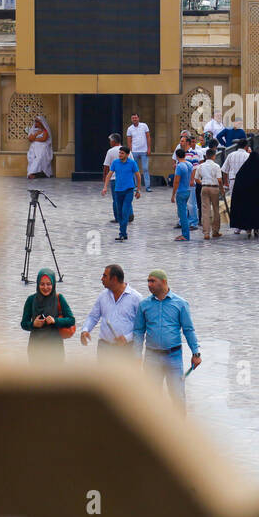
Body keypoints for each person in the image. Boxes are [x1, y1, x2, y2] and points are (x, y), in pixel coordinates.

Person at [132, 269, 201, 411]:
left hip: (173, 356)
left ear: (164, 282)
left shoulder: (180, 303)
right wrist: (136, 355)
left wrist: (196, 353)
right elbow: (138, 331)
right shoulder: (144, 305)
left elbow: (188, 330)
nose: (149, 285)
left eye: (152, 281)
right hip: (152, 357)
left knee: (177, 395)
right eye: (148, 281)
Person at [80, 263, 141, 359]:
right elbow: (93, 317)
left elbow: (142, 326)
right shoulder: (102, 296)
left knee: (124, 374)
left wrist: (127, 338)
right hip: (104, 347)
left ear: (114, 279)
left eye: (105, 276)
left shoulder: (136, 298)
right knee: (102, 374)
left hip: (126, 348)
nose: (101, 279)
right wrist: (85, 330)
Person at [20, 267, 74, 362]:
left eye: (49, 284)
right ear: (37, 284)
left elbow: (71, 320)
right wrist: (33, 324)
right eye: (42, 284)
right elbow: (24, 324)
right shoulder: (31, 300)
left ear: (53, 284)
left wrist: (55, 321)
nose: (45, 288)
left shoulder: (59, 298)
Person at [228, 146, 259, 238]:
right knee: (257, 213)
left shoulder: (244, 169)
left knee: (248, 213)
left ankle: (248, 230)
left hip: (246, 198)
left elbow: (238, 182)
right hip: (258, 197)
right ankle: (256, 229)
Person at [109, 145, 141, 241]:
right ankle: (123, 233)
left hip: (129, 190)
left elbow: (138, 176)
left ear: (127, 155)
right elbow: (109, 174)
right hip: (118, 190)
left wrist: (138, 190)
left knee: (125, 211)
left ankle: (122, 233)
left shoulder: (132, 163)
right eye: (119, 153)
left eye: (122, 153)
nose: (120, 154)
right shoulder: (115, 163)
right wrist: (105, 187)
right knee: (119, 214)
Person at [100, 133, 133, 225]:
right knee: (127, 197)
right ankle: (129, 214)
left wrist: (105, 177)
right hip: (126, 178)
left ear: (114, 141)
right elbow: (132, 163)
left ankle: (118, 217)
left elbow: (106, 166)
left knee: (117, 199)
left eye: (110, 141)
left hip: (115, 178)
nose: (110, 142)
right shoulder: (127, 151)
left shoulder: (110, 151)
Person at [194, 146, 226, 239]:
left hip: (204, 188)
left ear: (206, 156)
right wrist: (222, 189)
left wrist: (203, 183)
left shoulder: (201, 166)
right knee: (216, 210)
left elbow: (196, 179)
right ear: (213, 156)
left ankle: (206, 233)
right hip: (214, 188)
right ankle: (215, 231)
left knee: (205, 211)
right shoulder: (216, 166)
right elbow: (219, 180)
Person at [221, 141, 251, 233]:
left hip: (233, 180)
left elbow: (224, 170)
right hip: (245, 181)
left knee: (235, 203)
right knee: (246, 203)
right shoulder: (248, 156)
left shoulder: (231, 155)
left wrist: (226, 182)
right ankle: (246, 225)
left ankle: (237, 227)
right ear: (246, 146)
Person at [171, 147, 194, 241]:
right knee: (184, 212)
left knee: (183, 214)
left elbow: (176, 181)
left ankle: (185, 234)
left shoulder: (179, 166)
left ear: (177, 156)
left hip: (181, 191)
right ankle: (185, 233)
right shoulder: (189, 164)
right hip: (188, 190)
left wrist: (173, 194)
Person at [126, 113, 151, 191]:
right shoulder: (130, 129)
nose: (134, 119)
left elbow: (148, 137)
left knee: (145, 168)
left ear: (138, 118)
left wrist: (149, 148)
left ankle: (147, 186)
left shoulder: (144, 126)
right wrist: (130, 151)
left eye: (136, 118)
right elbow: (129, 141)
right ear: (131, 119)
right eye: (133, 118)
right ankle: (136, 186)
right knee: (135, 169)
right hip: (135, 151)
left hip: (144, 150)